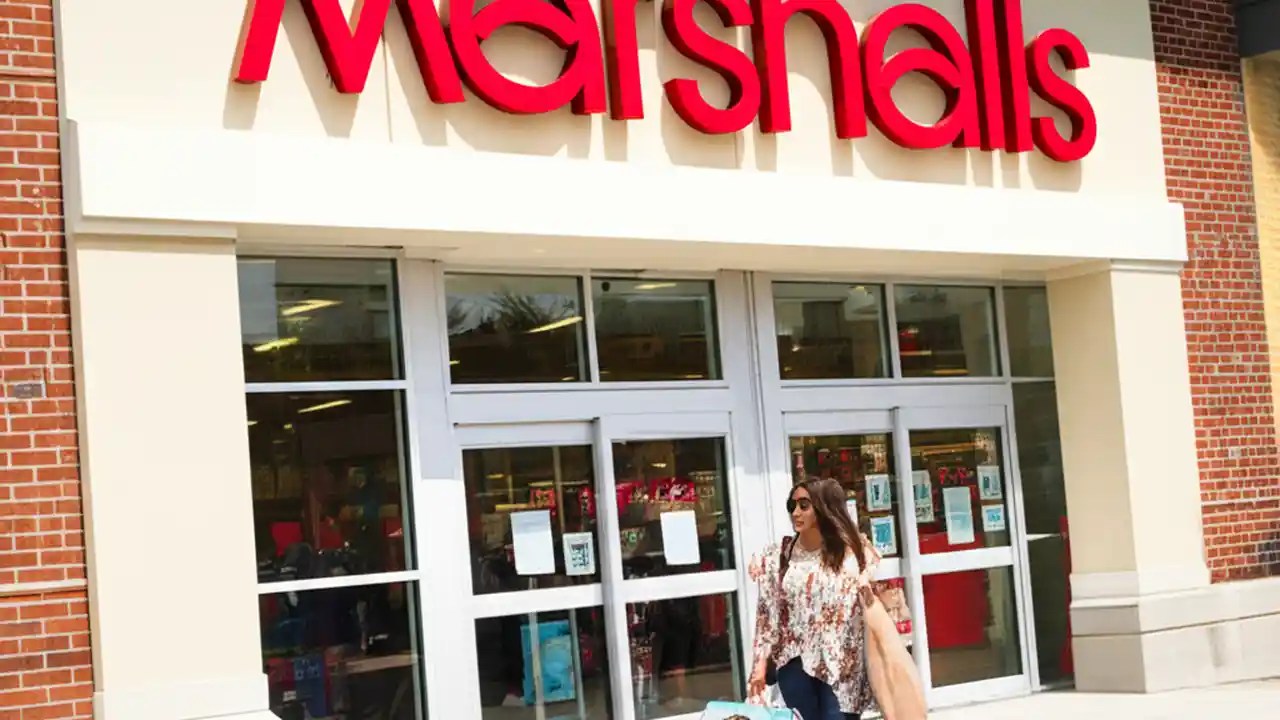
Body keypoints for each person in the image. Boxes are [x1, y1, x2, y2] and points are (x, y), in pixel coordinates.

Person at [747, 477, 880, 720]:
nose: (795, 512)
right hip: (794, 661)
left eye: (804, 505)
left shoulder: (853, 550)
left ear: (824, 507)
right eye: (792, 506)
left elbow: (870, 574)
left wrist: (864, 581)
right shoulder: (778, 555)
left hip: (842, 663)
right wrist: (760, 664)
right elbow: (767, 613)